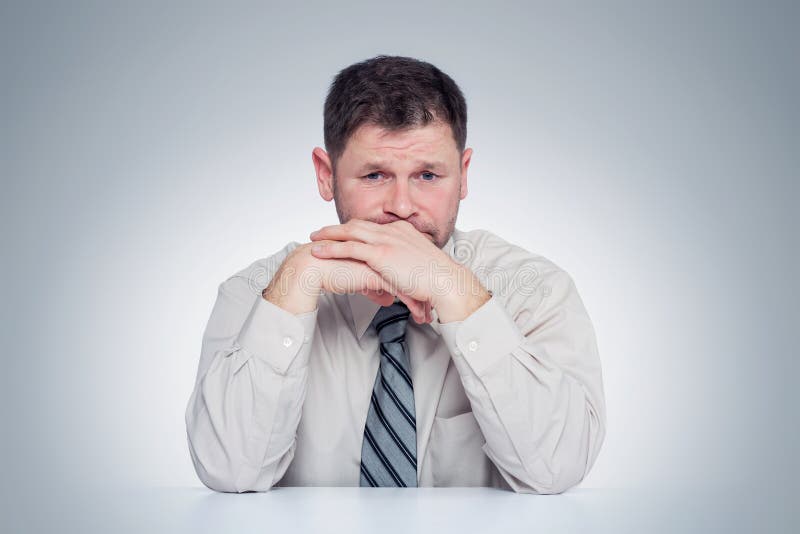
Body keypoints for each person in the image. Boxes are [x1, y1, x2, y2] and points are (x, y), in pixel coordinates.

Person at [184, 55, 606, 494]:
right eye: (374, 175)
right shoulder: (260, 293)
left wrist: (454, 290)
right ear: (326, 176)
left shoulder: (535, 290)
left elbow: (557, 468)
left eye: (428, 175)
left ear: (463, 175)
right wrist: (298, 282)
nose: (402, 207)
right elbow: (229, 472)